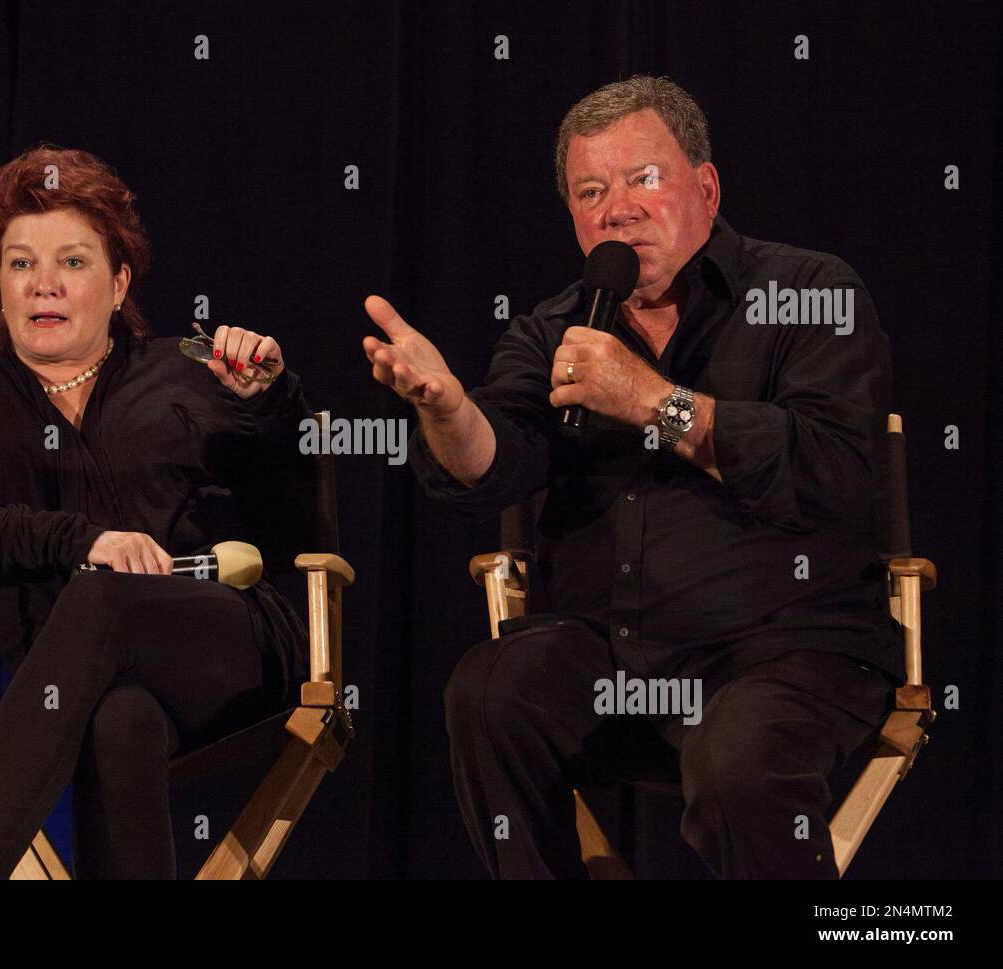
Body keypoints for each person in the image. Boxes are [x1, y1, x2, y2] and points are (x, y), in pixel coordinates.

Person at [362, 76, 906, 879]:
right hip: (617, 663)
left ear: (705, 185)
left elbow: (830, 466)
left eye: (643, 178)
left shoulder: (809, 292)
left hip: (791, 655)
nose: (616, 207)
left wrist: (652, 400)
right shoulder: (554, 330)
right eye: (591, 191)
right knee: (488, 690)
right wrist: (446, 410)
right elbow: (497, 459)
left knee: (735, 760)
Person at [0, 144, 312, 879]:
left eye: (72, 262)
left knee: (105, 599)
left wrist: (272, 399)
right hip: (75, 685)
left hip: (230, 647)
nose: (42, 283)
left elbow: (294, 499)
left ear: (119, 284)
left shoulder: (191, 366)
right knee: (121, 720)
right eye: (21, 263)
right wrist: (81, 541)